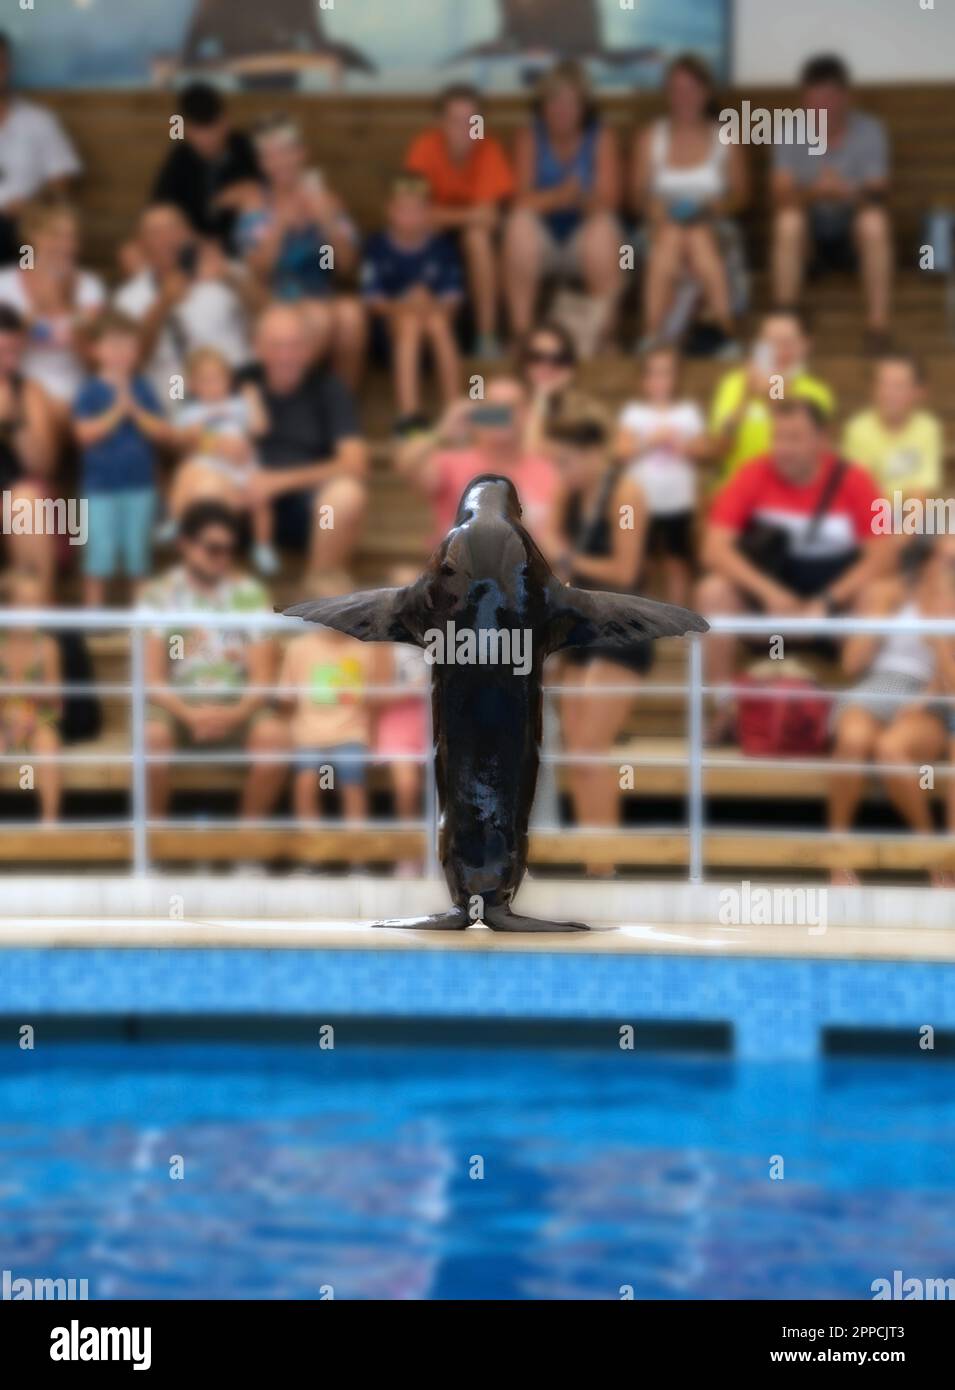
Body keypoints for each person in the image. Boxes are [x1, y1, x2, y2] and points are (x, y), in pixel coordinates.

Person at [697, 398, 891, 743]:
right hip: (772, 607)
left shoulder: (855, 480)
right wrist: (769, 592)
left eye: (794, 438)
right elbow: (714, 548)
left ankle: (857, 719)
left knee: (877, 594)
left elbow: (882, 556)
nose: (782, 448)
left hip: (833, 613)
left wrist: (827, 602)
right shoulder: (753, 473)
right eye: (778, 437)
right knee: (712, 592)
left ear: (822, 439)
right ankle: (727, 711)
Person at [141, 501, 287, 838]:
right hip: (175, 704)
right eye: (212, 548)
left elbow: (263, 678)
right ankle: (154, 845)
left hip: (238, 702)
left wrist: (233, 713)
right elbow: (152, 679)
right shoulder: (159, 596)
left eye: (229, 550)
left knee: (276, 739)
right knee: (152, 739)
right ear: (184, 545)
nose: (223, 557)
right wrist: (191, 714)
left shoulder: (250, 596)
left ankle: (245, 847)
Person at [547, 395, 649, 877]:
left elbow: (626, 570)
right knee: (577, 756)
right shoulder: (568, 496)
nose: (559, 469)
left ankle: (605, 867)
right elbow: (550, 552)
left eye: (565, 461)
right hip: (579, 628)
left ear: (592, 455)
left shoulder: (626, 492)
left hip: (621, 626)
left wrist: (569, 562)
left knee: (590, 751)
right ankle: (597, 864)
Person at [828, 548, 951, 885]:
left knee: (890, 750)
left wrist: (939, 629)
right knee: (853, 741)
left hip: (931, 691)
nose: (948, 567)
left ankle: (934, 860)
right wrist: (880, 614)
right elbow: (851, 665)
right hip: (881, 684)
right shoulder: (888, 592)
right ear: (924, 559)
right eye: (945, 558)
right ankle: (838, 858)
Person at [771, 54, 893, 352]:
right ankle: (787, 321)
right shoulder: (790, 131)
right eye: (815, 98)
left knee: (875, 221)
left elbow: (878, 192)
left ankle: (878, 325)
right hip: (808, 242)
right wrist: (816, 192)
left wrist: (845, 192)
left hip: (853, 236)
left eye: (830, 97)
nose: (822, 105)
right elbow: (780, 193)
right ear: (804, 99)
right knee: (788, 220)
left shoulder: (870, 130)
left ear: (845, 97)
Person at [235, 115, 365, 387]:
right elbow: (259, 272)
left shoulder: (326, 200)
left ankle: (340, 409)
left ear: (301, 154)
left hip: (319, 294)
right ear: (262, 164)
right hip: (273, 299)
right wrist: (280, 224)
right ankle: (284, 401)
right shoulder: (255, 205)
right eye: (270, 156)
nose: (280, 162)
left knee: (351, 315)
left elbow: (339, 267)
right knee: (318, 317)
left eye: (285, 152)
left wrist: (327, 223)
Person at [631, 53, 748, 357]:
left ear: (706, 92)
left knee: (697, 235)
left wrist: (711, 209)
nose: (684, 97)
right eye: (676, 89)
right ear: (668, 94)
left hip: (714, 227)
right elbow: (635, 195)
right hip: (659, 229)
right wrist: (652, 208)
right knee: (672, 235)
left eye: (691, 88)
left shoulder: (726, 136)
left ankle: (716, 331)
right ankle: (657, 336)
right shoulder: (650, 138)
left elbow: (742, 196)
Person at [242, 304, 367, 575]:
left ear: (309, 350)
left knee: (346, 494)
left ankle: (319, 587)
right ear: (257, 348)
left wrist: (278, 482)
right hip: (243, 506)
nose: (286, 355)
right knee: (201, 480)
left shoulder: (330, 389)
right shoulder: (238, 382)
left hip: (309, 515)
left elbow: (355, 463)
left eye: (295, 345)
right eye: (276, 346)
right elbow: (190, 436)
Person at [503, 61, 622, 342]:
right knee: (518, 226)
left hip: (585, 236)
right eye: (553, 101)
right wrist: (561, 196)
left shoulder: (601, 136)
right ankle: (522, 336)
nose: (561, 110)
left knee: (603, 231)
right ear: (542, 106)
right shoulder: (529, 135)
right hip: (540, 239)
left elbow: (610, 200)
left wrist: (575, 199)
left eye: (570, 102)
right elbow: (520, 201)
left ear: (584, 106)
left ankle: (605, 340)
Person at [72, 311, 179, 607]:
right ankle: (93, 617)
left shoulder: (143, 388)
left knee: (138, 554)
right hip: (100, 489)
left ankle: (141, 619)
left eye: (127, 345)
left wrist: (135, 411)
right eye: (113, 344)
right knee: (99, 553)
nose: (120, 352)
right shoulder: (90, 390)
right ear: (96, 350)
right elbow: (84, 434)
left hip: (140, 486)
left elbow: (163, 432)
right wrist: (118, 411)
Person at [404, 84, 515, 355]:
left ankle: (485, 338)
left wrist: (441, 216)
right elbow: (415, 213)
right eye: (455, 121)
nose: (464, 129)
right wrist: (465, 216)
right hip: (431, 239)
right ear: (441, 123)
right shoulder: (426, 147)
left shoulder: (488, 149)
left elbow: (488, 219)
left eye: (472, 121)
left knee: (477, 239)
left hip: (474, 240)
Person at [114, 204, 257, 410]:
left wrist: (229, 276)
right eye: (156, 233)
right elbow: (134, 360)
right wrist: (162, 305)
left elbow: (267, 312)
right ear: (142, 244)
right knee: (177, 404)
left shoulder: (225, 270)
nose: (167, 238)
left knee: (245, 409)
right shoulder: (129, 297)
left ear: (189, 234)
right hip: (177, 378)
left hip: (233, 372)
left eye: (173, 228)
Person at [396, 375, 560, 551]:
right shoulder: (451, 463)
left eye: (511, 407)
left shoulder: (549, 471)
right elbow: (406, 466)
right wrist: (441, 432)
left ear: (526, 414)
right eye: (493, 409)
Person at [279, 571, 373, 855]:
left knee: (352, 781)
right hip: (309, 732)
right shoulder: (300, 648)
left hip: (351, 732)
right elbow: (286, 694)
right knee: (306, 781)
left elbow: (374, 694)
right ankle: (313, 847)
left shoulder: (363, 648)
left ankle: (357, 849)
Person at [361, 176, 464, 431]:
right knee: (409, 323)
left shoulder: (443, 248)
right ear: (390, 211)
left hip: (435, 333)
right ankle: (409, 417)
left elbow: (452, 303)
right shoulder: (375, 247)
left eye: (417, 210)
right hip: (388, 340)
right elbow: (373, 303)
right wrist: (407, 305)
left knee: (437, 323)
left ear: (429, 213)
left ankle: (457, 415)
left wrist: (426, 304)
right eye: (403, 210)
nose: (410, 217)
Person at [169, 347, 276, 576]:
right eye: (205, 380)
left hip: (244, 467)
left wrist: (252, 398)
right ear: (193, 385)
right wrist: (202, 437)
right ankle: (177, 520)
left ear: (229, 380)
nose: (212, 385)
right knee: (185, 476)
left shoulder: (239, 406)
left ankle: (263, 545)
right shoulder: (191, 412)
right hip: (209, 466)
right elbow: (180, 440)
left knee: (262, 499)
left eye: (218, 378)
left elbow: (260, 428)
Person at [617, 346, 706, 608]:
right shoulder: (634, 413)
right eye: (653, 374)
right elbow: (621, 452)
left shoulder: (688, 413)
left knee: (677, 561)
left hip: (678, 501)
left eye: (666, 373)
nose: (659, 380)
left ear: (676, 377)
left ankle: (677, 616)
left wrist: (684, 446)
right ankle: (641, 617)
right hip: (642, 502)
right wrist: (650, 441)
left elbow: (702, 449)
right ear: (643, 380)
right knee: (641, 560)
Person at [0, 202, 104, 413]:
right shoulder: (5, 285)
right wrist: (38, 308)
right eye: (55, 235)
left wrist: (67, 303)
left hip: (78, 394)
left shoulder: (90, 286)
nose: (66, 245)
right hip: (20, 391)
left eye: (72, 237)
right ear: (32, 236)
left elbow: (98, 362)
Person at [709, 311, 835, 482]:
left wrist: (772, 391)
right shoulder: (734, 383)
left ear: (805, 345)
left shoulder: (817, 392)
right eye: (771, 343)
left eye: (788, 343)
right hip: (738, 492)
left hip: (790, 496)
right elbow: (718, 446)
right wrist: (746, 396)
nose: (779, 351)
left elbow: (815, 452)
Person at [0, 32, 82, 263]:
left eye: (1, 62)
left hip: (23, 224)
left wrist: (31, 207)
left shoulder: (38, 120)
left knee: (30, 239)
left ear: (8, 67)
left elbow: (62, 180)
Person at [151, 82, 260, 251]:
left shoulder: (245, 149)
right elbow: (160, 207)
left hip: (241, 247)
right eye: (197, 131)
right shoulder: (180, 157)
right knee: (131, 252)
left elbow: (268, 197)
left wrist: (241, 194)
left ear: (225, 122)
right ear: (186, 129)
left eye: (212, 129)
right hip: (192, 248)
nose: (206, 139)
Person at [0, 305, 58, 584]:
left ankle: (34, 623)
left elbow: (42, 465)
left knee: (26, 502)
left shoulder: (29, 390)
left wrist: (13, 422)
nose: (5, 361)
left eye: (12, 351)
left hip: (14, 494)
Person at [0, 567, 61, 823]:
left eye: (37, 604)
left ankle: (50, 822)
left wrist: (30, 717)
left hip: (37, 720)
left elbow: (57, 701)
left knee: (48, 746)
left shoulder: (46, 647)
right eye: (24, 604)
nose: (32, 611)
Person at [842, 355, 942, 502]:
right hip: (870, 515)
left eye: (898, 386)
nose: (888, 393)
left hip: (914, 516)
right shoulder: (857, 429)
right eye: (882, 384)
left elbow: (923, 490)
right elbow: (861, 493)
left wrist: (907, 524)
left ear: (917, 392)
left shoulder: (927, 427)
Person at [516, 320, 579, 453]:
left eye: (558, 358)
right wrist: (542, 396)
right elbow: (529, 454)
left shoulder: (584, 411)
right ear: (523, 362)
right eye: (536, 357)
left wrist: (542, 395)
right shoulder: (505, 401)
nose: (546, 366)